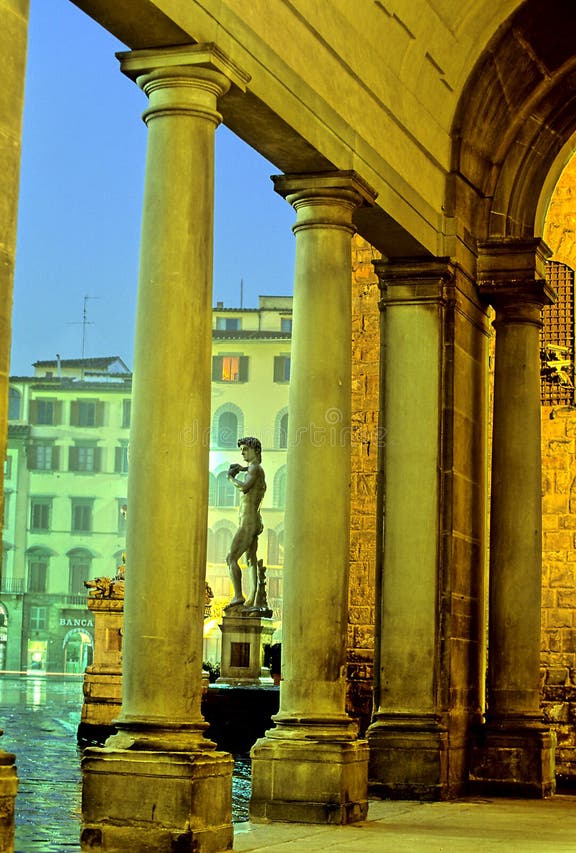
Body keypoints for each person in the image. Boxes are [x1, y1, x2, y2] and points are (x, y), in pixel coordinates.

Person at [225, 436, 266, 608]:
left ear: (255, 450)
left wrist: (230, 478)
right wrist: (243, 468)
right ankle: (253, 597)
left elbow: (244, 487)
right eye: (241, 450)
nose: (242, 453)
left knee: (231, 558)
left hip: (248, 521)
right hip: (254, 519)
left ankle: (238, 596)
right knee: (250, 560)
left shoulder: (255, 468)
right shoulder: (254, 468)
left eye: (245, 449)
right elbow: (251, 475)